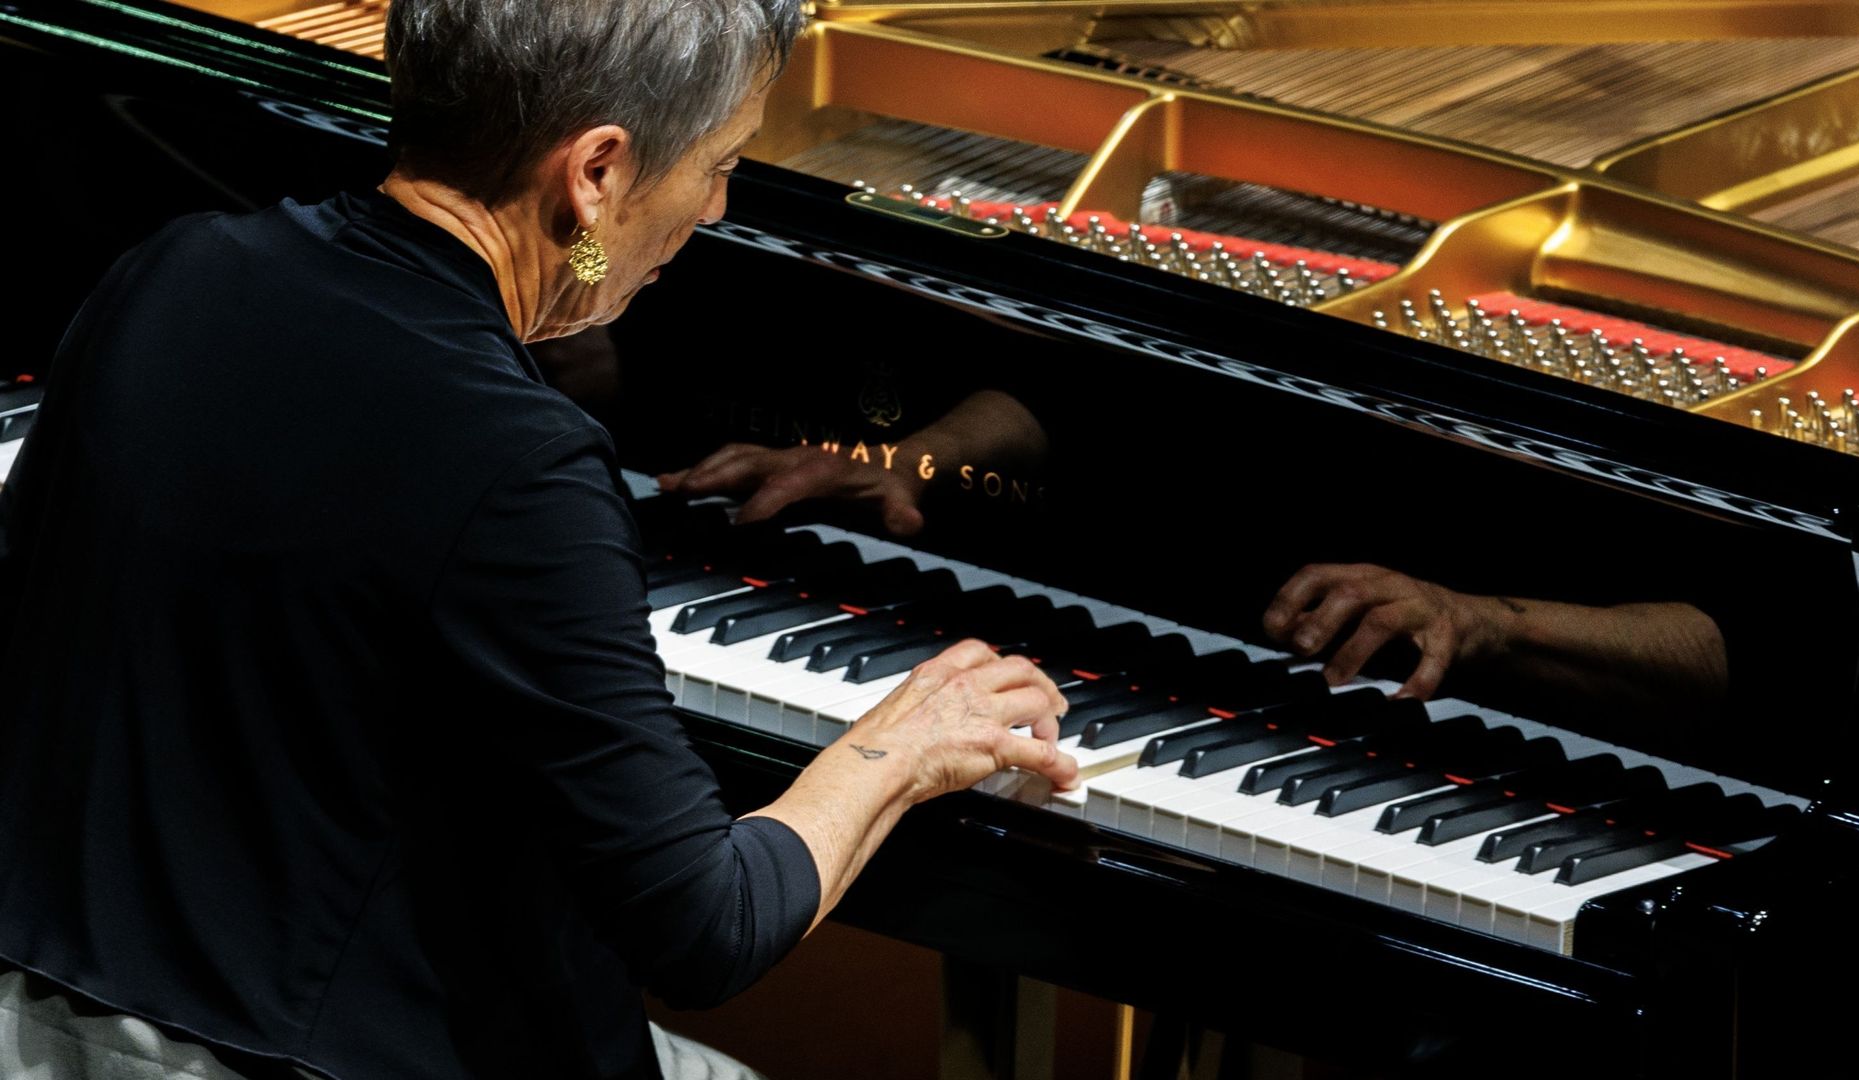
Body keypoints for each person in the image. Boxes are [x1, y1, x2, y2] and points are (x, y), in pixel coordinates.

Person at [0, 2, 1076, 1078]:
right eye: (721, 161)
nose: (717, 204)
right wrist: (898, 747)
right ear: (596, 171)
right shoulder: (515, 456)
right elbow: (709, 930)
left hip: (43, 1006)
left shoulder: (173, 268)